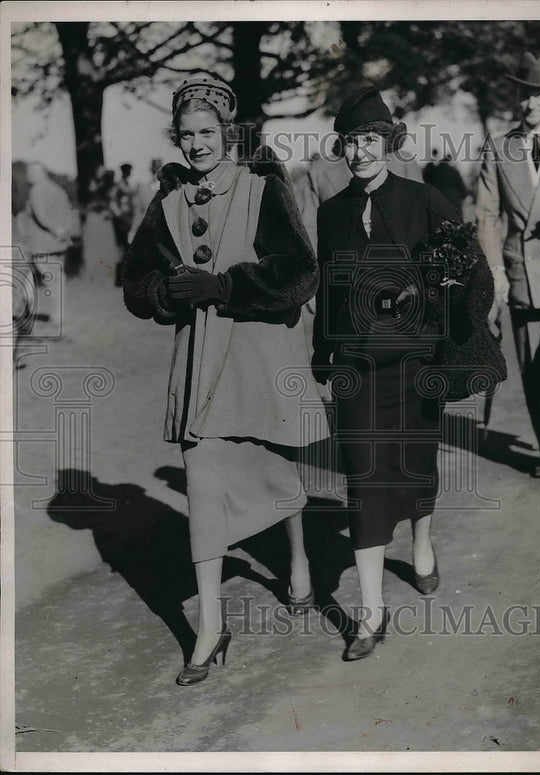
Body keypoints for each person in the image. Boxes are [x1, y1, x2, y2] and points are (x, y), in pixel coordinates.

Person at [122, 76, 329, 685]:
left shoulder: (262, 186)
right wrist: (166, 292)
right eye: (186, 135)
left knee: (275, 466)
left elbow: (301, 272)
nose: (197, 145)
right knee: (204, 479)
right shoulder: (167, 199)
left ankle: (298, 560)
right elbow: (135, 283)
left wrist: (226, 285)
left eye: (207, 133)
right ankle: (210, 628)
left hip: (260, 356)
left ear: (228, 134)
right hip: (200, 363)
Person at [312, 85, 504, 661]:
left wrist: (430, 300)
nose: (359, 153)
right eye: (350, 143)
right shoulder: (330, 213)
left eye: (369, 141)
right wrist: (323, 354)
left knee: (416, 465)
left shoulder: (425, 200)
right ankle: (370, 614)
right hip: (357, 367)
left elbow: (468, 273)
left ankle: (422, 541)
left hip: (417, 365)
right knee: (364, 478)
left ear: (388, 143)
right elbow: (327, 290)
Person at [476, 53, 540, 484]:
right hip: (521, 275)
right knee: (536, 373)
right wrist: (496, 271)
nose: (530, 102)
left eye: (538, 93)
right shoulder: (499, 148)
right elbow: (487, 215)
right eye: (524, 94)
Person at [24, 162, 76, 326]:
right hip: (59, 244)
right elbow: (69, 213)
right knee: (56, 279)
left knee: (46, 279)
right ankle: (57, 314)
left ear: (38, 172)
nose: (27, 176)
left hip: (43, 244)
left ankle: (53, 315)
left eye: (29, 172)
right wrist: (64, 232)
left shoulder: (37, 189)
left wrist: (56, 230)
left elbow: (41, 216)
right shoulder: (58, 189)